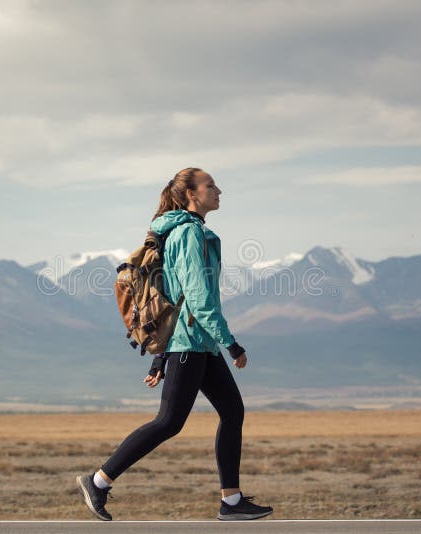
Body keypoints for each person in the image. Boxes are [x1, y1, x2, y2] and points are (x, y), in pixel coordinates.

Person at [77, 167, 273, 521]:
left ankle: (231, 501)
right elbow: (197, 298)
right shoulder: (187, 234)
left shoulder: (194, 232)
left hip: (198, 342)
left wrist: (165, 357)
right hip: (193, 341)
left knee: (232, 412)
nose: (219, 190)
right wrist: (231, 343)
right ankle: (98, 481)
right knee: (169, 422)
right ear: (191, 194)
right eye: (210, 185)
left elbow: (178, 296)